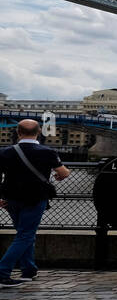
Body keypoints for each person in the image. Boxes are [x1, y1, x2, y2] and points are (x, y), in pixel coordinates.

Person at [0, 119, 71, 288]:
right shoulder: (47, 152)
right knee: (25, 235)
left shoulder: (5, 152)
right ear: (39, 132)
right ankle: (2, 272)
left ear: (17, 132)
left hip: (10, 200)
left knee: (24, 234)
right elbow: (63, 173)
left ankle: (28, 270)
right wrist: (60, 174)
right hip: (35, 199)